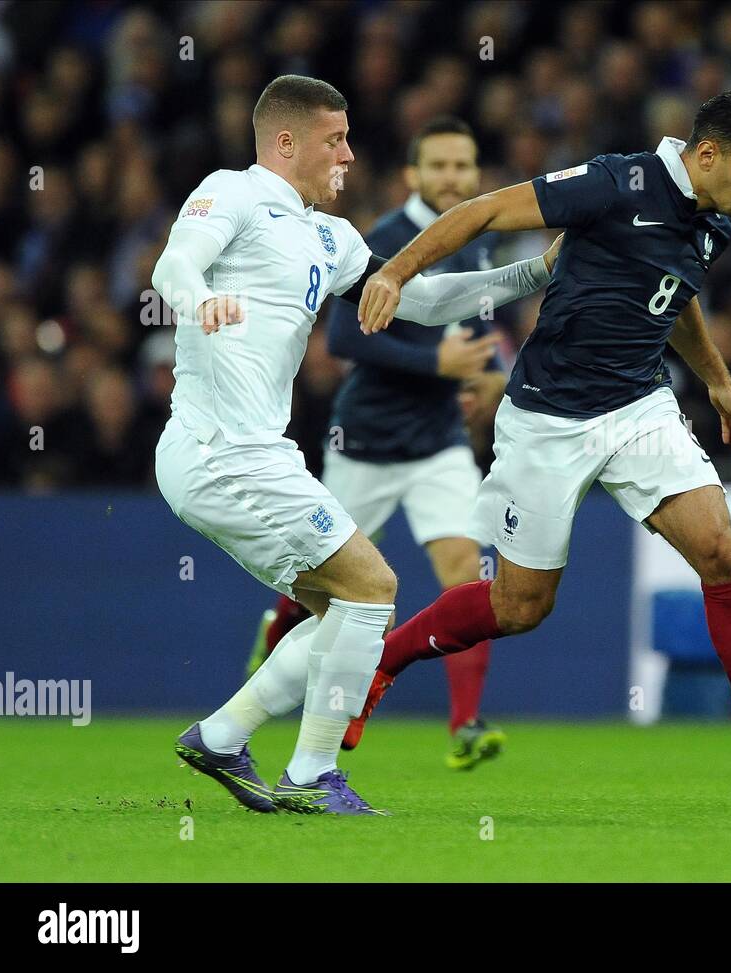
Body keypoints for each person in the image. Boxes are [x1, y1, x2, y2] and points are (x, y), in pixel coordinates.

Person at [354, 90, 731, 800]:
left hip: (638, 406)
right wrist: (396, 272)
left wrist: (718, 380)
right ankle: (383, 661)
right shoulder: (616, 183)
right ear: (706, 155)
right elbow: (485, 210)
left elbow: (672, 294)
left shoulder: (716, 215)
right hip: (546, 418)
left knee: (720, 549)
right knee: (520, 607)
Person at [152, 75, 557, 815]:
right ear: (285, 142)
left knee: (340, 607)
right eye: (333, 138)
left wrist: (533, 270)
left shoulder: (329, 236)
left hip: (254, 454)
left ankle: (222, 735)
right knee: (373, 587)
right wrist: (197, 298)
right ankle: (310, 773)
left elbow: (423, 300)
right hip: (218, 449)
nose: (347, 152)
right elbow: (172, 264)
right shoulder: (233, 193)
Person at [247, 117, 510, 770]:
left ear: (477, 174)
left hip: (440, 444)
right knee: (324, 583)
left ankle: (466, 724)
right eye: (439, 166)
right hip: (363, 443)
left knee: (466, 571)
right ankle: (278, 631)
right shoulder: (387, 240)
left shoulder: (477, 243)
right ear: (412, 176)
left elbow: (464, 336)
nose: (453, 177)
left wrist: (480, 375)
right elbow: (342, 339)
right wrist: (436, 367)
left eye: (463, 165)